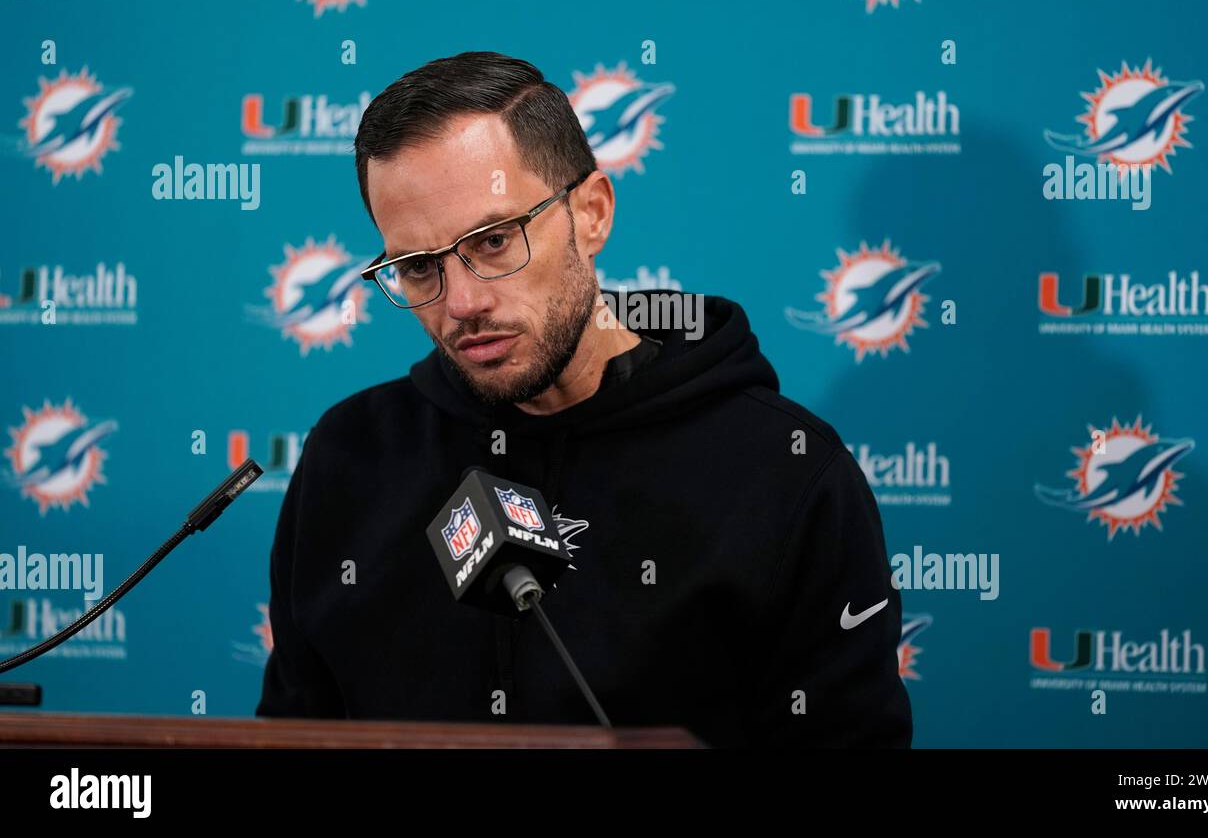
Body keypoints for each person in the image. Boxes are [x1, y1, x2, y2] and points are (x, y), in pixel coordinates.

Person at [255, 50, 912, 747]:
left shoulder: (785, 471)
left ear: (592, 213)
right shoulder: (350, 457)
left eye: (495, 239)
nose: (464, 303)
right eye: (419, 267)